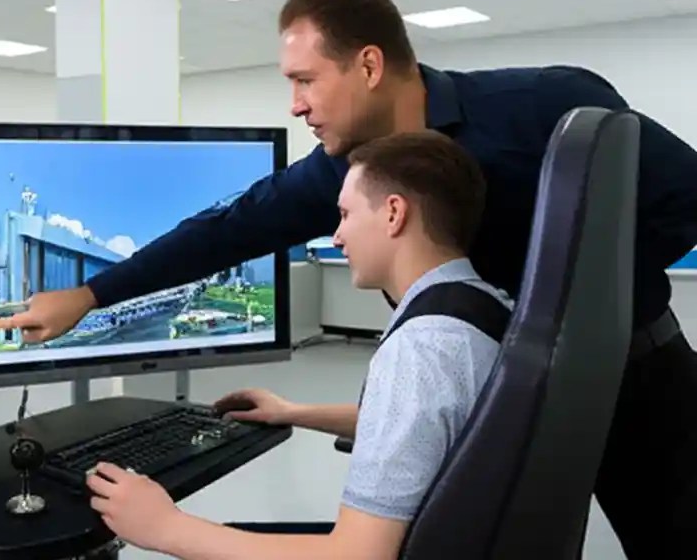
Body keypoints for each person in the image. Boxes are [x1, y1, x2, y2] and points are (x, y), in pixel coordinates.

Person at [0, 0, 697, 558]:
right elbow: (228, 228)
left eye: (305, 81)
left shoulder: (544, 106)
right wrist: (91, 290)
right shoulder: (342, 170)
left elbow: (688, 197)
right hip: (507, 381)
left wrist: (572, 315)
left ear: (368, 64)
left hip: (639, 377)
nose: (296, 106)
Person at [86, 131, 511, 558]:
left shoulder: (422, 348)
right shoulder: (482, 307)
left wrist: (165, 527)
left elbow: (358, 556)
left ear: (394, 214)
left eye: (345, 215)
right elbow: (425, 426)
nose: (338, 236)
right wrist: (293, 413)